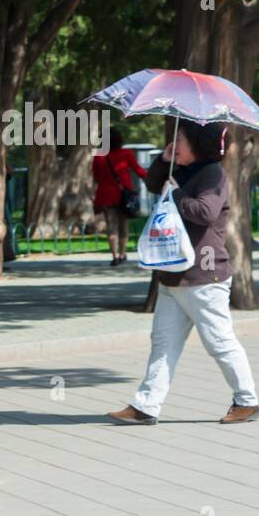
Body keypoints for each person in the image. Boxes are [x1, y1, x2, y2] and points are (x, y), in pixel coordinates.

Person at [109, 119, 258, 425]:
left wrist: (175, 194)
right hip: (173, 274)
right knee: (163, 343)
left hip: (204, 275)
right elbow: (152, 184)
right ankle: (146, 405)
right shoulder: (182, 168)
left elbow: (206, 212)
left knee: (219, 341)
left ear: (199, 145)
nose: (175, 144)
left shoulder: (212, 173)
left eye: (181, 139)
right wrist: (164, 161)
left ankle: (247, 401)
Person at [91, 127, 146, 266]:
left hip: (106, 195)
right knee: (123, 225)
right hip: (123, 195)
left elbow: (96, 178)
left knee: (111, 225)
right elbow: (138, 170)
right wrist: (153, 179)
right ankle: (122, 254)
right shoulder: (126, 153)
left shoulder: (98, 157)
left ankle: (114, 256)